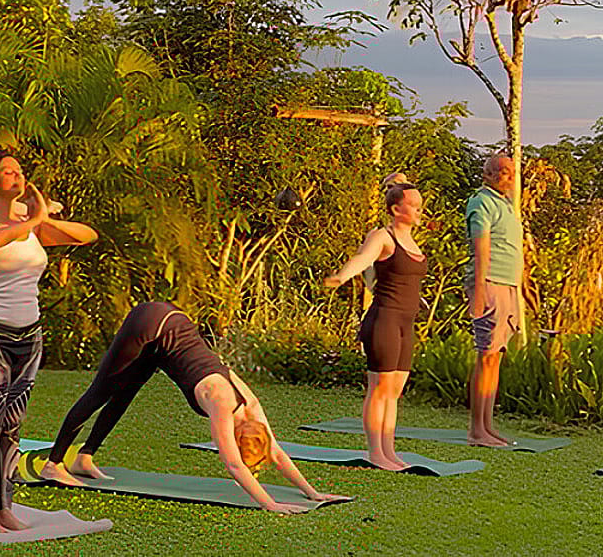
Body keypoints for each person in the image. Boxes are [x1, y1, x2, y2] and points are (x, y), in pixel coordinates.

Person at [39, 301, 348, 513]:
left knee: (126, 394)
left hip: (169, 333)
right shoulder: (221, 403)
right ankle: (54, 465)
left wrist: (312, 491)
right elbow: (234, 466)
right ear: (238, 438)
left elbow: (277, 452)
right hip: (151, 324)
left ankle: (84, 458)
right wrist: (271, 504)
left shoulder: (250, 403)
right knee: (101, 392)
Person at [0, 147, 97, 533]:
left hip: (28, 335)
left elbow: (87, 236)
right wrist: (34, 219)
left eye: (20, 171)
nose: (17, 176)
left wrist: (44, 218)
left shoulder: (30, 225)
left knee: (12, 426)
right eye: (8, 172)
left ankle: (6, 509)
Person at [325, 182, 427, 471]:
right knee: (379, 388)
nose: (420, 210)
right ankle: (375, 453)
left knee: (395, 390)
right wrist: (341, 277)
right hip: (384, 319)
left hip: (407, 323)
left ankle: (389, 450)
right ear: (396, 209)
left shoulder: (412, 241)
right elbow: (362, 258)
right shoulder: (384, 237)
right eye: (414, 205)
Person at [465, 153, 522, 447]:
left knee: (495, 356)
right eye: (500, 172)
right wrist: (480, 288)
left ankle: (487, 426)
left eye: (510, 172)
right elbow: (481, 249)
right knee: (485, 354)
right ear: (486, 174)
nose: (507, 176)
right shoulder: (482, 201)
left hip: (507, 284)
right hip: (490, 283)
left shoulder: (505, 204)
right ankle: (476, 431)